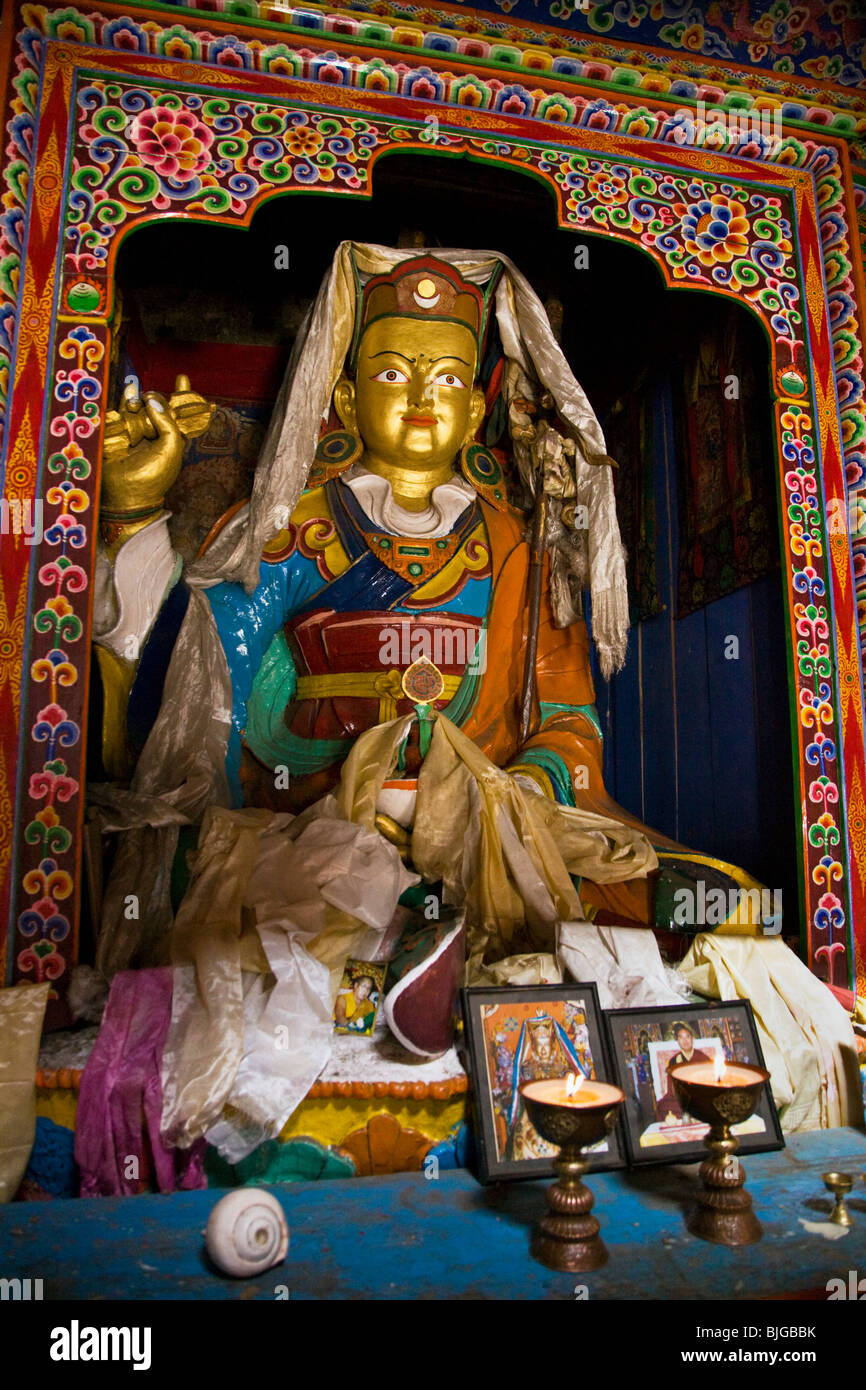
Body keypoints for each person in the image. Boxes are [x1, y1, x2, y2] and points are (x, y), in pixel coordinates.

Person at [87, 243, 769, 1159]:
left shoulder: (513, 543)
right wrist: (135, 516)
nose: (423, 396)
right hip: (314, 823)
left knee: (691, 892)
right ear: (341, 393)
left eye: (450, 376)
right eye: (393, 371)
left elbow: (568, 719)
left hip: (482, 828)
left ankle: (431, 951)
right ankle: (426, 960)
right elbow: (198, 693)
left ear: (479, 405)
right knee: (223, 899)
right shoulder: (292, 527)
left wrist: (509, 790)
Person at [655, 1023, 712, 1125]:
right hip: (682, 1096)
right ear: (678, 1041)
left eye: (687, 1037)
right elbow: (671, 1088)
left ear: (692, 1039)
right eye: (681, 1038)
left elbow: (710, 1079)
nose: (685, 1041)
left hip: (701, 1094)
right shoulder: (674, 1061)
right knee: (663, 1106)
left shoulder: (702, 1057)